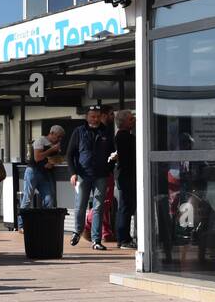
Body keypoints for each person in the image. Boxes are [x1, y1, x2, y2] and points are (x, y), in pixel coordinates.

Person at [67, 105, 115, 251]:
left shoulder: (106, 132)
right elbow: (70, 154)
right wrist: (73, 173)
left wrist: (110, 169)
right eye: (92, 116)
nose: (95, 119)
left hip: (101, 175)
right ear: (87, 117)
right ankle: (77, 231)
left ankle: (96, 240)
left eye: (97, 116)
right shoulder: (79, 132)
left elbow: (112, 153)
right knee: (80, 205)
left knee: (99, 207)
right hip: (83, 174)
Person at [19, 125, 65, 227]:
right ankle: (21, 225)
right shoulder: (40, 141)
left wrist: (52, 163)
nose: (59, 139)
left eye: (61, 137)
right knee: (28, 197)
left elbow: (56, 159)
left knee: (49, 198)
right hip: (33, 171)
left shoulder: (56, 145)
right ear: (51, 133)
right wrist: (52, 149)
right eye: (58, 136)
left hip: (45, 173)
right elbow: (37, 157)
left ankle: (45, 223)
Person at [112, 109, 137, 249]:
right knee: (126, 207)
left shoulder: (124, 136)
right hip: (126, 176)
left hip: (125, 176)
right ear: (125, 122)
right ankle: (123, 239)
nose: (134, 121)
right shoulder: (124, 137)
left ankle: (123, 238)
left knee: (126, 207)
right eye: (131, 119)